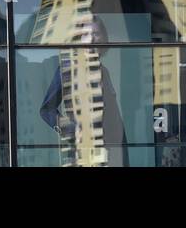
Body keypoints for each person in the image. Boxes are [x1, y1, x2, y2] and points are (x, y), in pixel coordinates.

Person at [39, 16, 129, 166]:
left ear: (103, 39)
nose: (92, 39)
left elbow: (113, 115)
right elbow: (47, 110)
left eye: (96, 33)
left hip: (111, 151)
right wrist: (72, 130)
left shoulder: (104, 71)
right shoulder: (68, 69)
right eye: (86, 34)